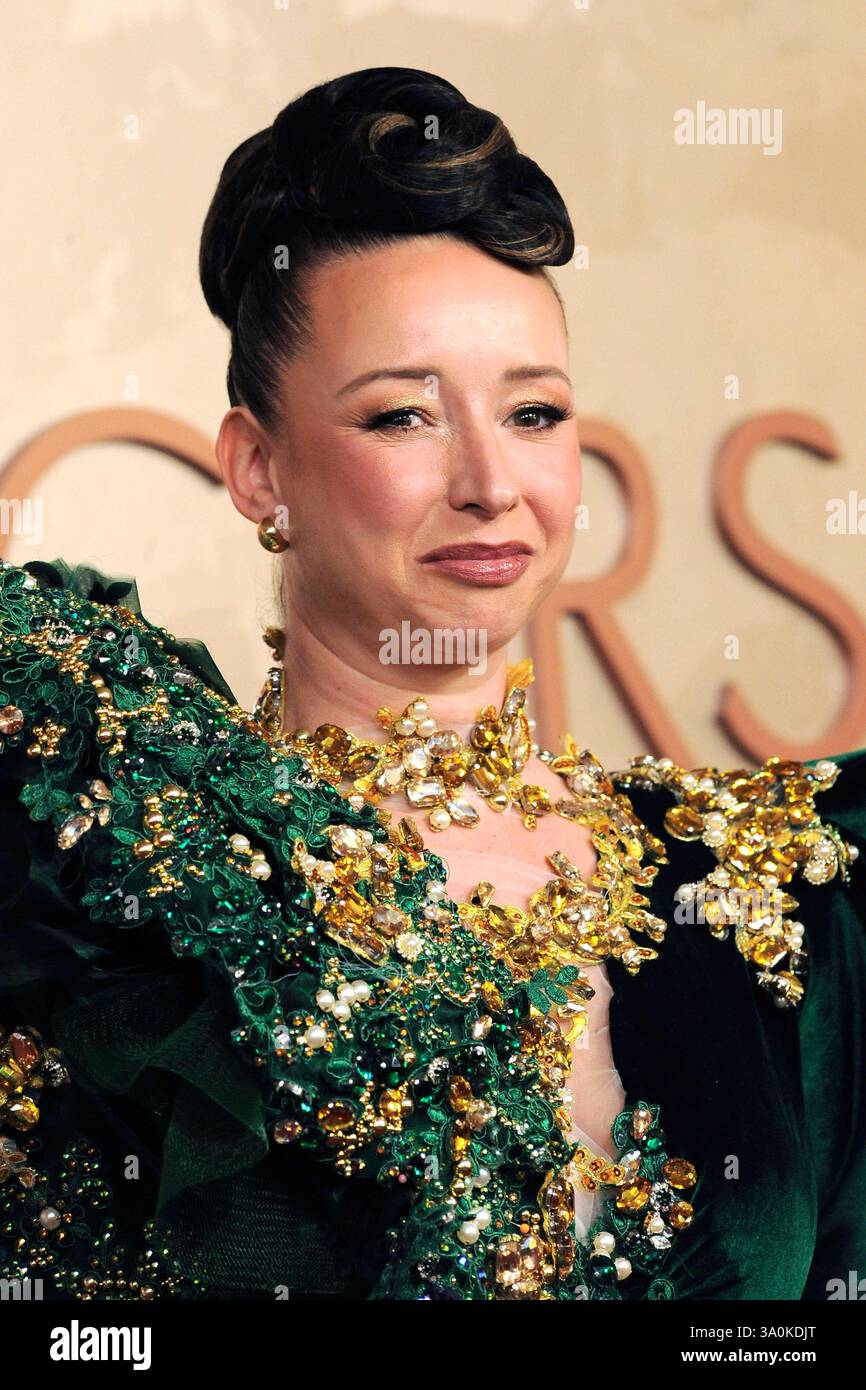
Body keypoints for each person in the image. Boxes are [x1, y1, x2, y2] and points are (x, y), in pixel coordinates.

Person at [1, 67, 864, 1303]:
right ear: (256, 468)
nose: (488, 482)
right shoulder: (112, 869)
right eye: (402, 416)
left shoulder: (767, 897)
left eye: (534, 412)